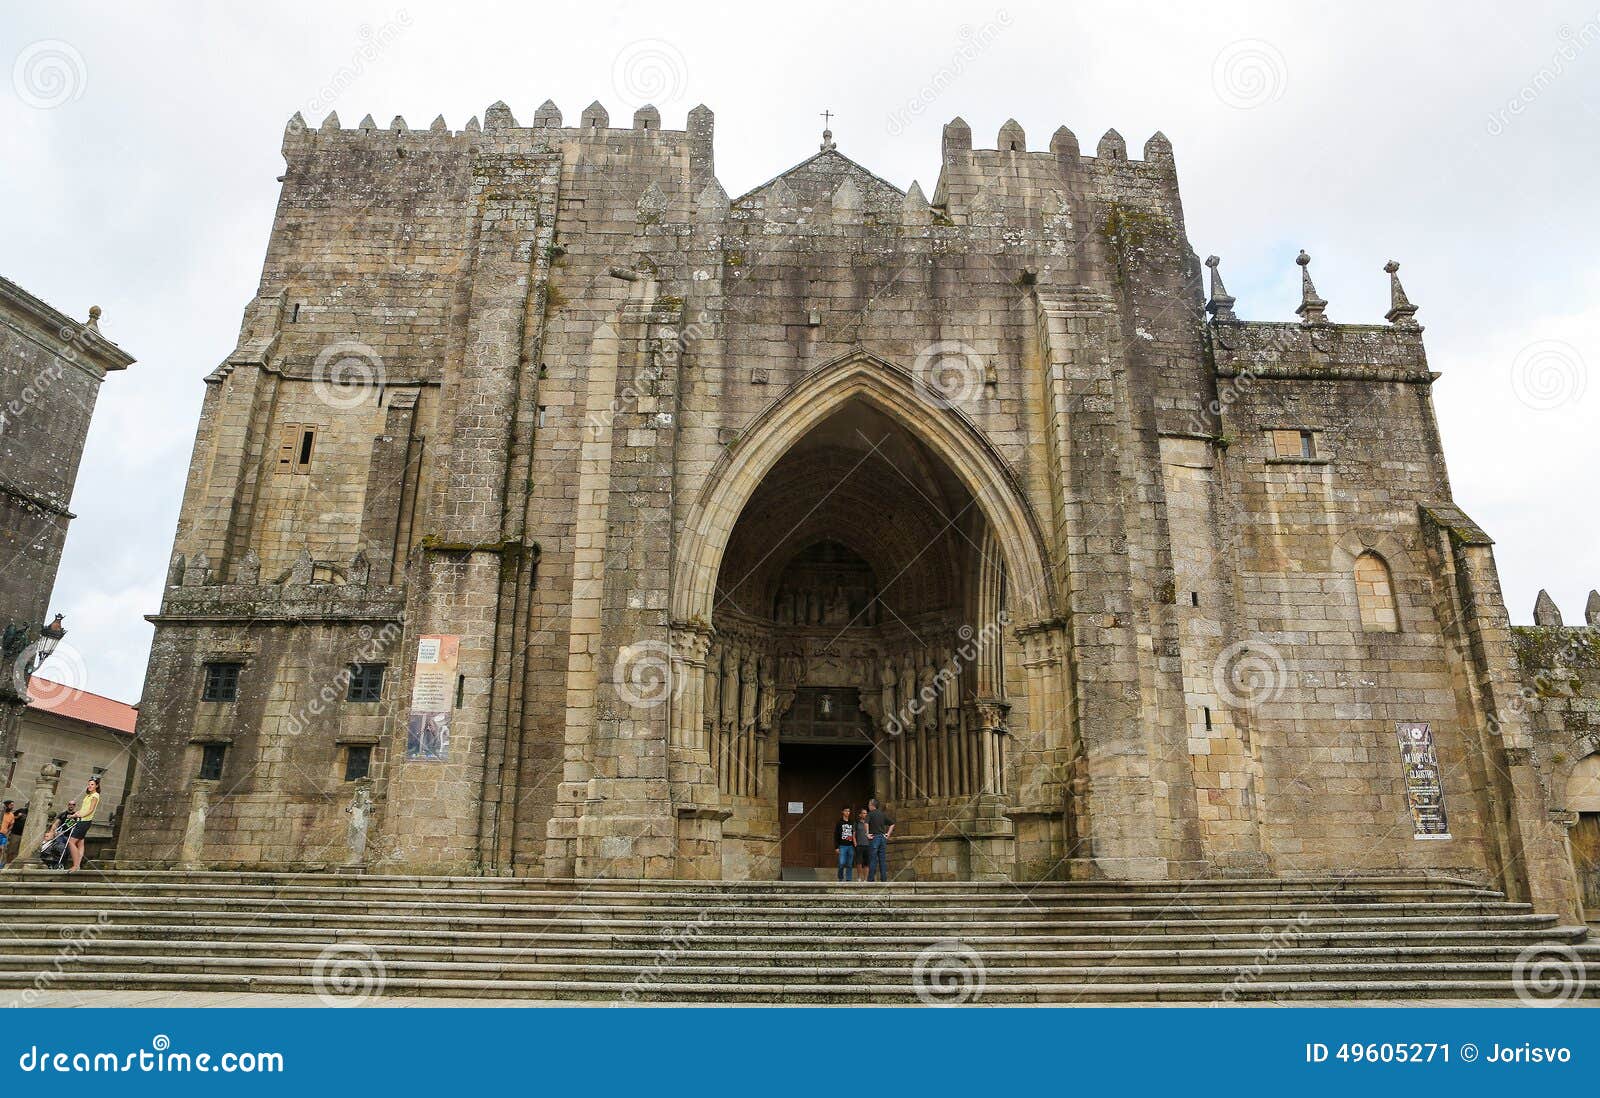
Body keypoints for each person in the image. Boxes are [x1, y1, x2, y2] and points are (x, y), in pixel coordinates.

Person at [67, 777, 100, 872]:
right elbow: (84, 808)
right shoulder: (88, 796)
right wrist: (74, 815)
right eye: (89, 784)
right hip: (82, 820)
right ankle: (78, 865)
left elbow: (91, 810)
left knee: (71, 842)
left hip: (84, 821)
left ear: (96, 786)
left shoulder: (95, 795)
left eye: (92, 784)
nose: (90, 786)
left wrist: (81, 815)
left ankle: (75, 865)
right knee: (81, 843)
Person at [866, 797, 895, 882]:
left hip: (874, 838)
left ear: (872, 805)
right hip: (882, 838)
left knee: (873, 859)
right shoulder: (882, 814)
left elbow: (866, 823)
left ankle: (871, 879)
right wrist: (888, 834)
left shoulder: (870, 814)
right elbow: (892, 824)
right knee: (882, 860)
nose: (868, 806)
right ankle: (883, 879)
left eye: (869, 804)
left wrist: (867, 834)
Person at [833, 807, 856, 882]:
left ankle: (848, 879)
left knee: (849, 864)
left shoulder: (852, 822)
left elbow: (854, 834)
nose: (847, 812)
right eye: (846, 811)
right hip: (842, 846)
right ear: (842, 812)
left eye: (849, 811)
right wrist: (836, 847)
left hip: (850, 846)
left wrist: (854, 844)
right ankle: (840, 878)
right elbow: (836, 835)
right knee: (841, 863)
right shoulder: (839, 822)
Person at [854, 807, 871, 881]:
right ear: (860, 815)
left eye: (866, 813)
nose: (865, 815)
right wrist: (855, 843)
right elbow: (853, 835)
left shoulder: (869, 823)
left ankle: (866, 879)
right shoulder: (857, 823)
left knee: (866, 863)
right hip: (859, 845)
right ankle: (859, 877)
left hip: (867, 845)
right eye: (863, 813)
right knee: (859, 862)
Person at [0, 801, 12, 868]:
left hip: (3, 835)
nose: (12, 807)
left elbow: (11, 824)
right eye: (10, 805)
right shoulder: (2, 813)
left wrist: (8, 830)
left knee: (2, 849)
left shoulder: (11, 815)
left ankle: (0, 865)